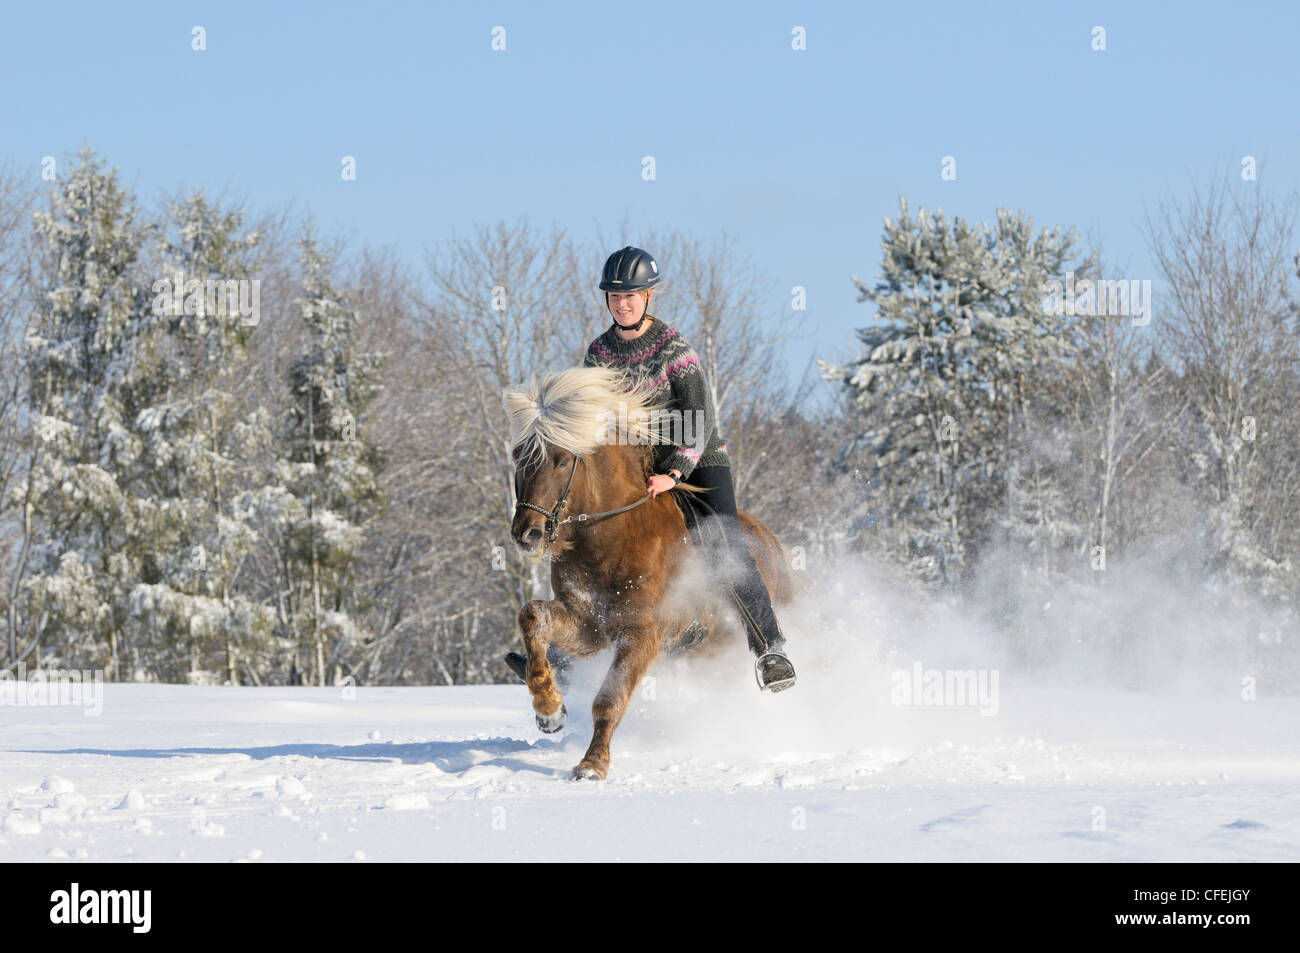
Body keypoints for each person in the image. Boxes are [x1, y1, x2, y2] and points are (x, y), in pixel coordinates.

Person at [582, 245, 797, 692]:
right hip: (637, 468)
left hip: (697, 461)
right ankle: (567, 650)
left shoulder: (671, 346)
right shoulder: (598, 353)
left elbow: (698, 416)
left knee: (722, 540)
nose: (622, 304)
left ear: (649, 297)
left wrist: (675, 473)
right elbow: (592, 416)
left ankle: (769, 647)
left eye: (631, 297)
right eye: (615, 297)